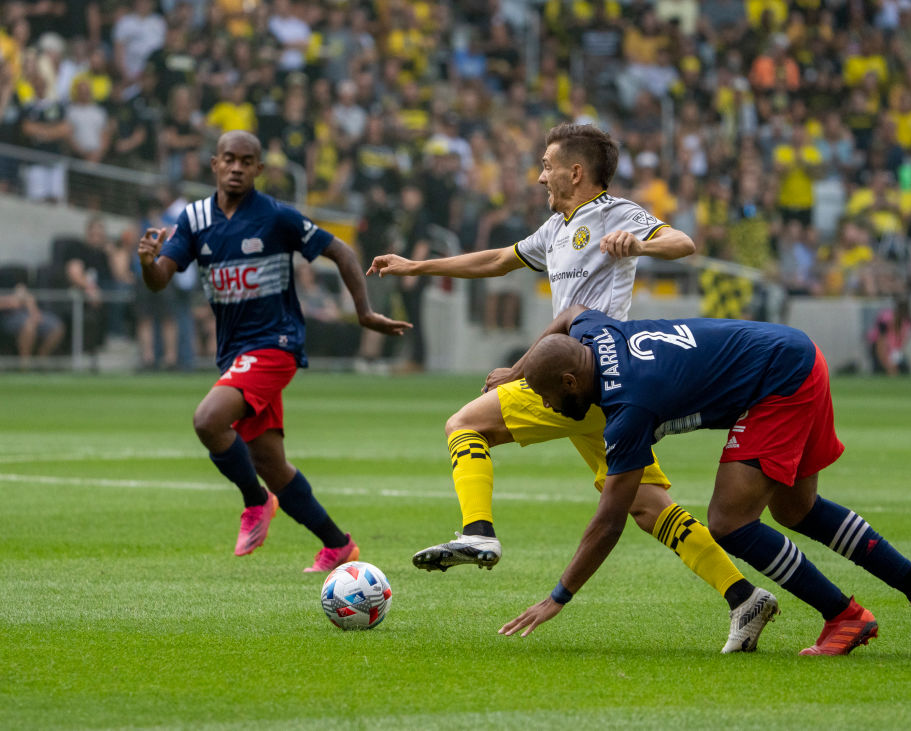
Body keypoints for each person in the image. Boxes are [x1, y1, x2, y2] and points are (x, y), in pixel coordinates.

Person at [369, 122, 779, 653]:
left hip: (585, 378)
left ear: (576, 171)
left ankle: (477, 530)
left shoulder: (616, 212)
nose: (540, 175)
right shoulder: (556, 227)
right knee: (649, 506)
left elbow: (683, 242)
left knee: (464, 425)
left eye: (547, 165)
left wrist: (640, 243)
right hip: (604, 394)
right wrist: (416, 266)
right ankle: (743, 595)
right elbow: (497, 259)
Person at [501, 304, 911, 656]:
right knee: (795, 509)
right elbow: (570, 314)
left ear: (569, 381)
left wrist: (558, 596)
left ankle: (843, 615)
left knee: (728, 521)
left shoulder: (630, 409)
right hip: (794, 353)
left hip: (778, 382)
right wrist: (519, 372)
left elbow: (609, 522)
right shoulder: (593, 334)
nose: (545, 406)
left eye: (544, 395)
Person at [137, 130, 411, 572]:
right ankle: (338, 545)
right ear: (214, 163)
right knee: (268, 460)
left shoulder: (276, 217)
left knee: (208, 420)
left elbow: (341, 251)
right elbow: (161, 278)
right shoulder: (194, 219)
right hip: (235, 353)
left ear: (259, 169)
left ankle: (255, 502)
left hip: (275, 344)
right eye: (229, 159)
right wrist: (149, 261)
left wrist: (363, 312)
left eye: (247, 161)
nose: (237, 167)